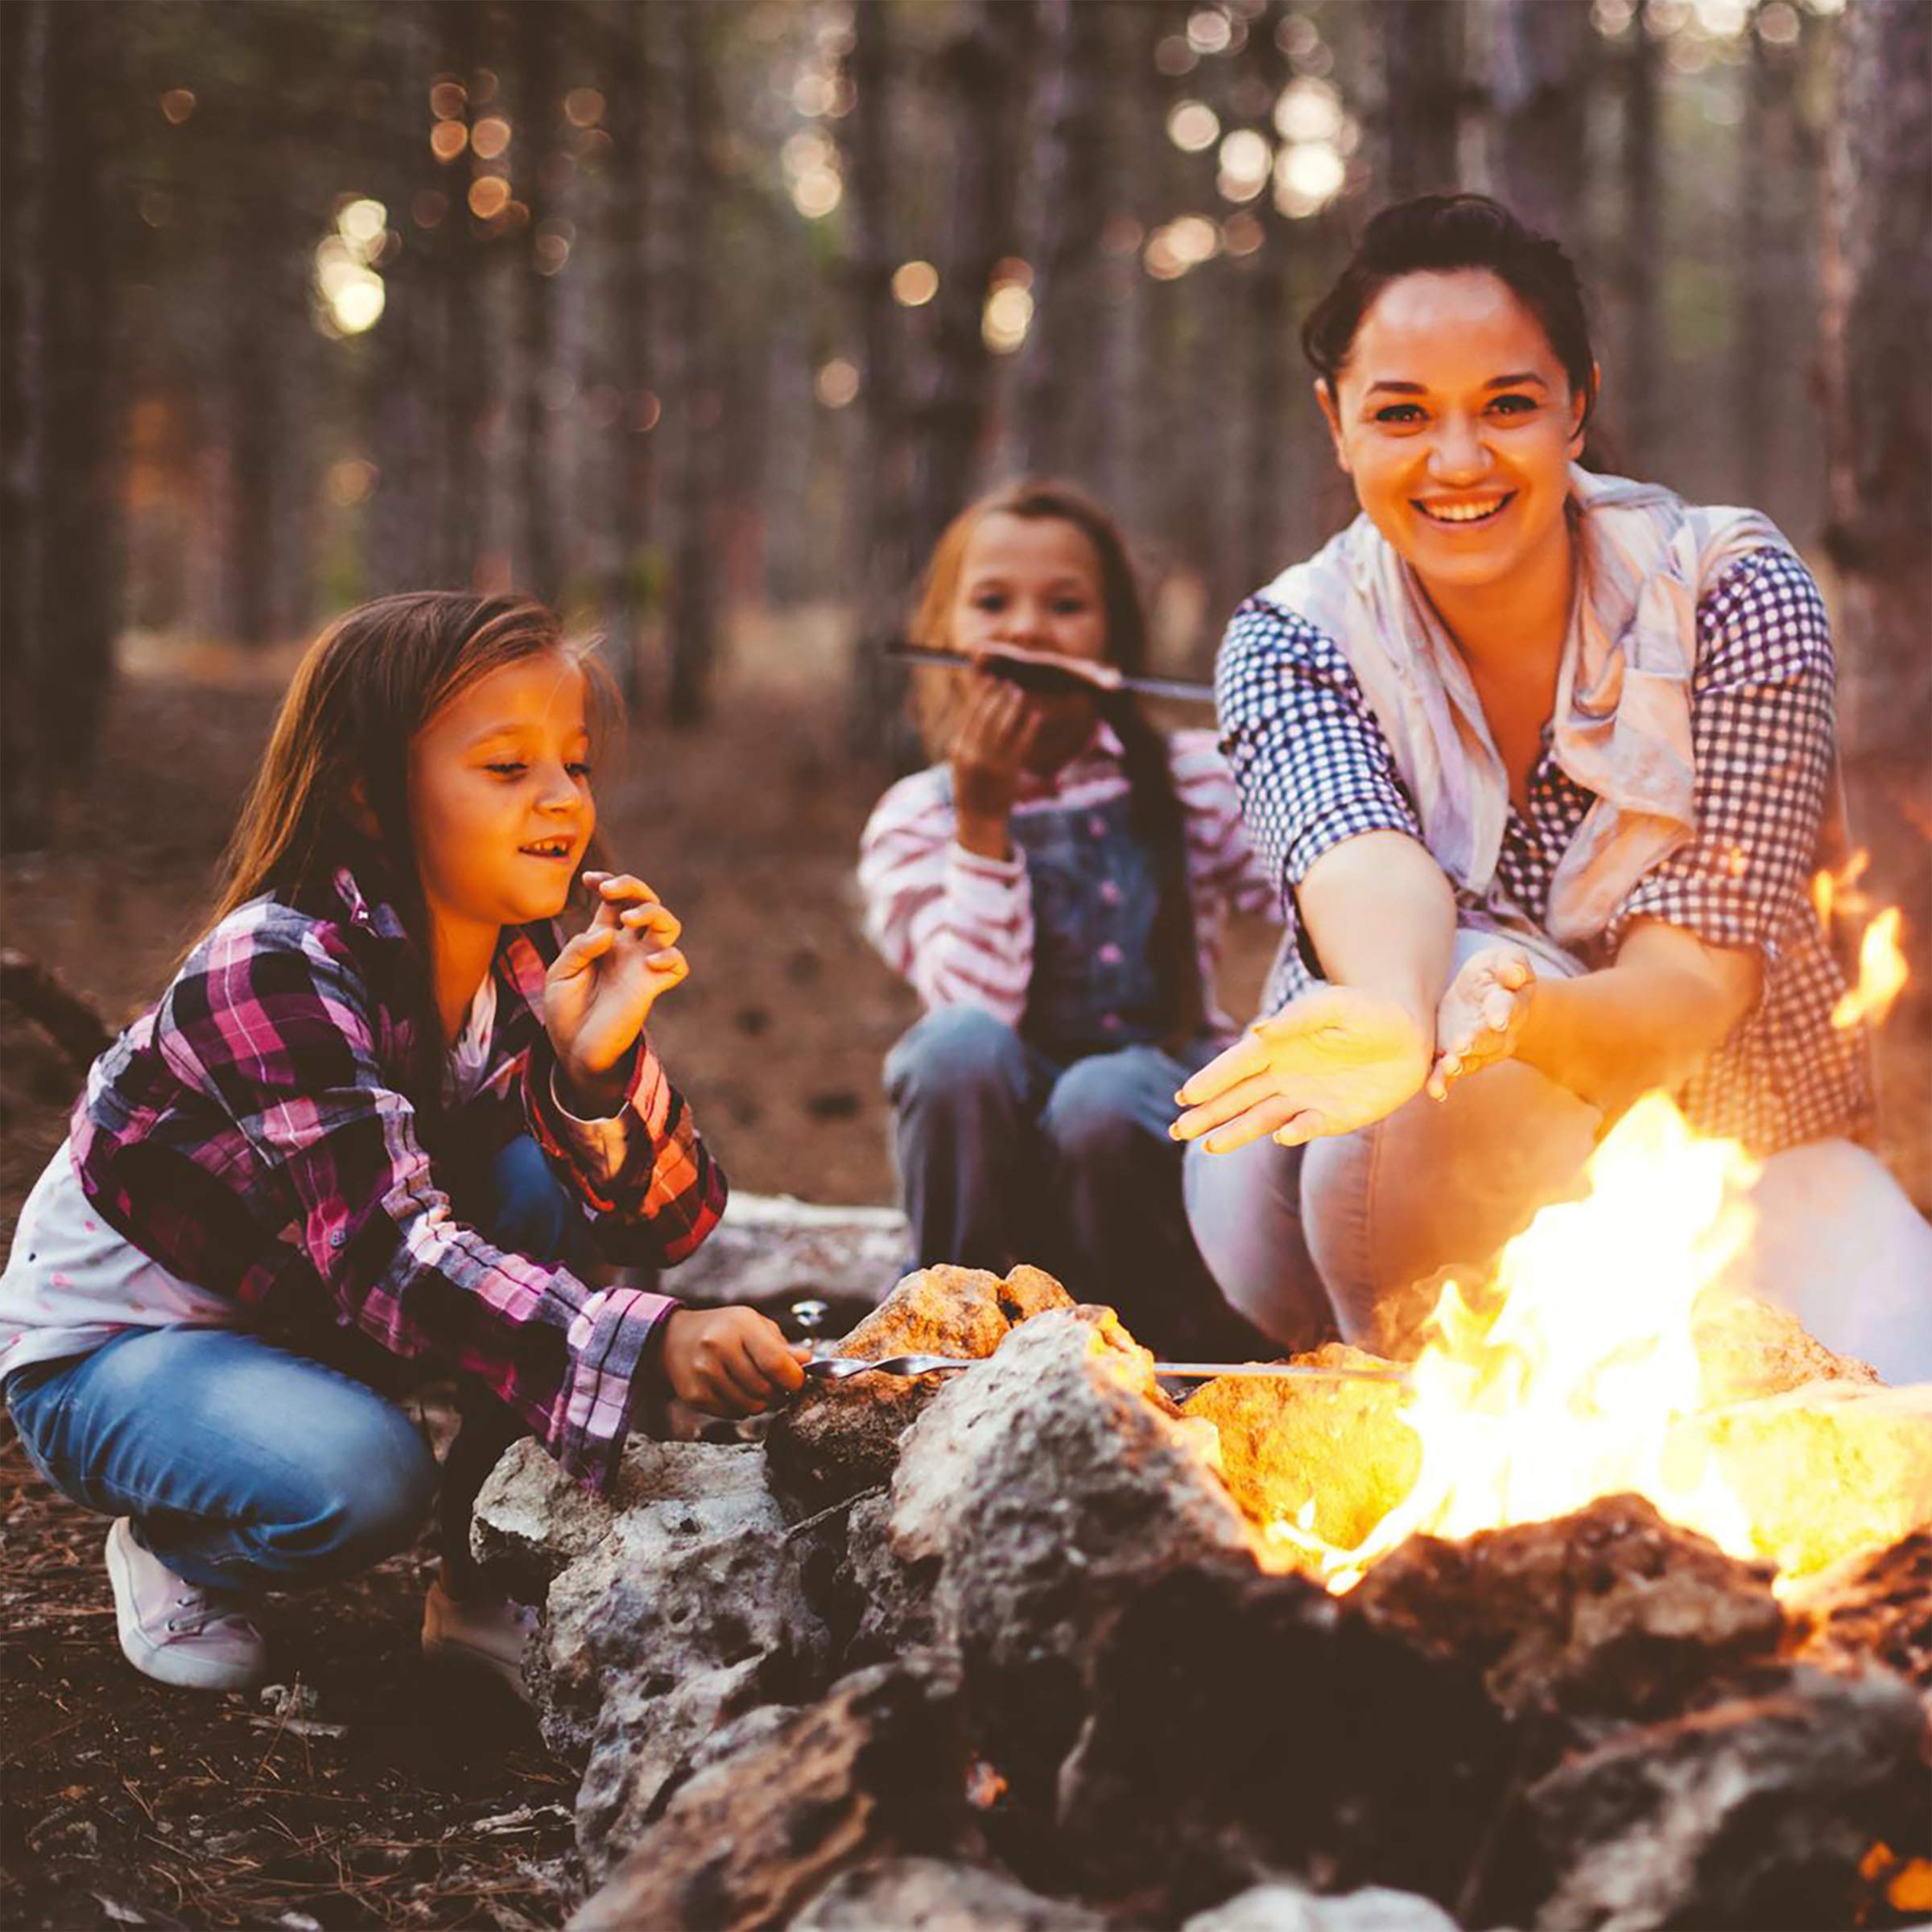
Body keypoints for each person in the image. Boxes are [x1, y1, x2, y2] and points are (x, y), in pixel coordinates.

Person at [1176, 193, 1931, 1379]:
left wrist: (1520, 1019)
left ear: (1578, 403)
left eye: (1508, 405)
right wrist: (1393, 1004)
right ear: (1338, 423)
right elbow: (1366, 860)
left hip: (1718, 1144)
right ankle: (1416, 1419)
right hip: (1341, 1173)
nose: (1460, 459)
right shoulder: (1291, 636)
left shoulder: (1731, 592)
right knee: (1452, 1004)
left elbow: (1687, 990)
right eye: (1404, 413)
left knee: (1910, 1391)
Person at [0, 592, 807, 1696]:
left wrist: (592, 1074)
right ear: (365, 796)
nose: (563, 799)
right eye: (507, 767)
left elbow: (670, 1221)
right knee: (365, 1477)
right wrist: (648, 1343)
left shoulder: (525, 959)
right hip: (113, 1357)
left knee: (542, 1170)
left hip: (298, 1300)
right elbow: (389, 1252)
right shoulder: (273, 967)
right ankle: (177, 1549)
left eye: (574, 764)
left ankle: (482, 1579)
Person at [859, 479, 1279, 1353]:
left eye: (1066, 605)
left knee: (1097, 1096)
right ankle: (948, 1331)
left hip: (1150, 1130)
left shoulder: (1196, 777)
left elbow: (1311, 893)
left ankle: (1153, 1346)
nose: (1027, 629)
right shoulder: (917, 818)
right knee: (952, 1049)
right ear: (945, 637)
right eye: (991, 602)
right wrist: (982, 822)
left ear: (1115, 639)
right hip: (1001, 1153)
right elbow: (976, 1009)